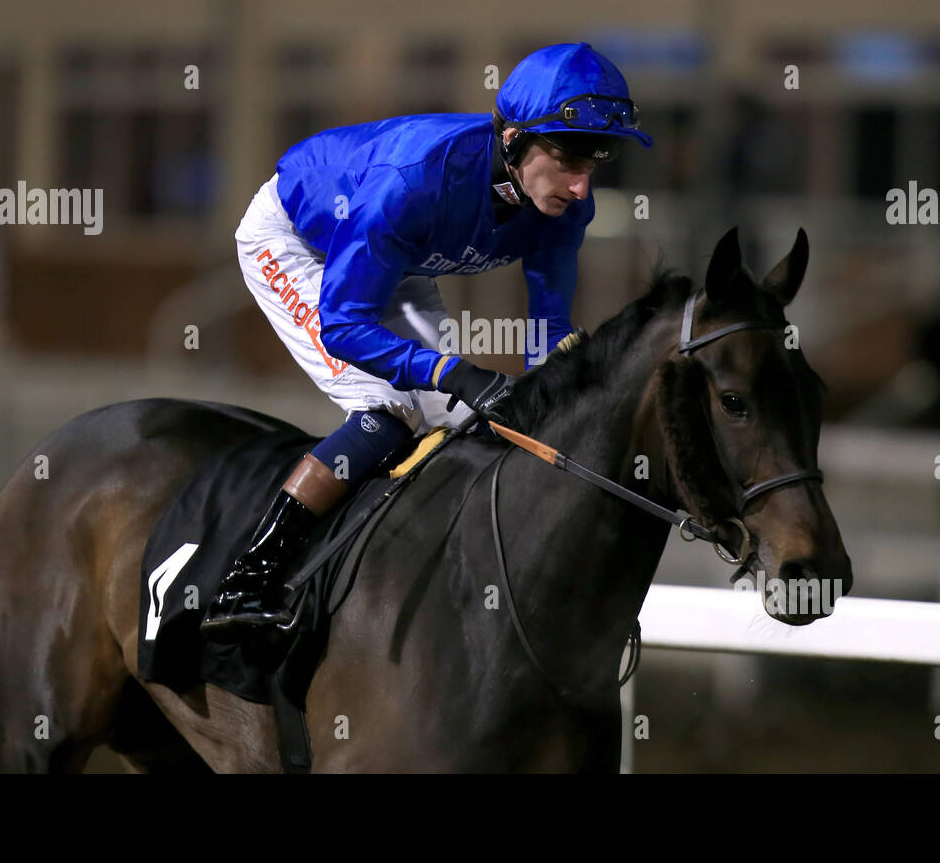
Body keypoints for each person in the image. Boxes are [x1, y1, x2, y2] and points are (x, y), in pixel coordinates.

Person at [200, 42, 652, 641]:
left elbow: (547, 334)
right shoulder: (412, 183)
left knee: (466, 426)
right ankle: (246, 580)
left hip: (394, 262)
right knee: (389, 412)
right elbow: (343, 324)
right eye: (568, 158)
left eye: (599, 159)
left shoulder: (564, 208)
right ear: (513, 139)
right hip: (297, 243)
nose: (580, 187)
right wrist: (451, 372)